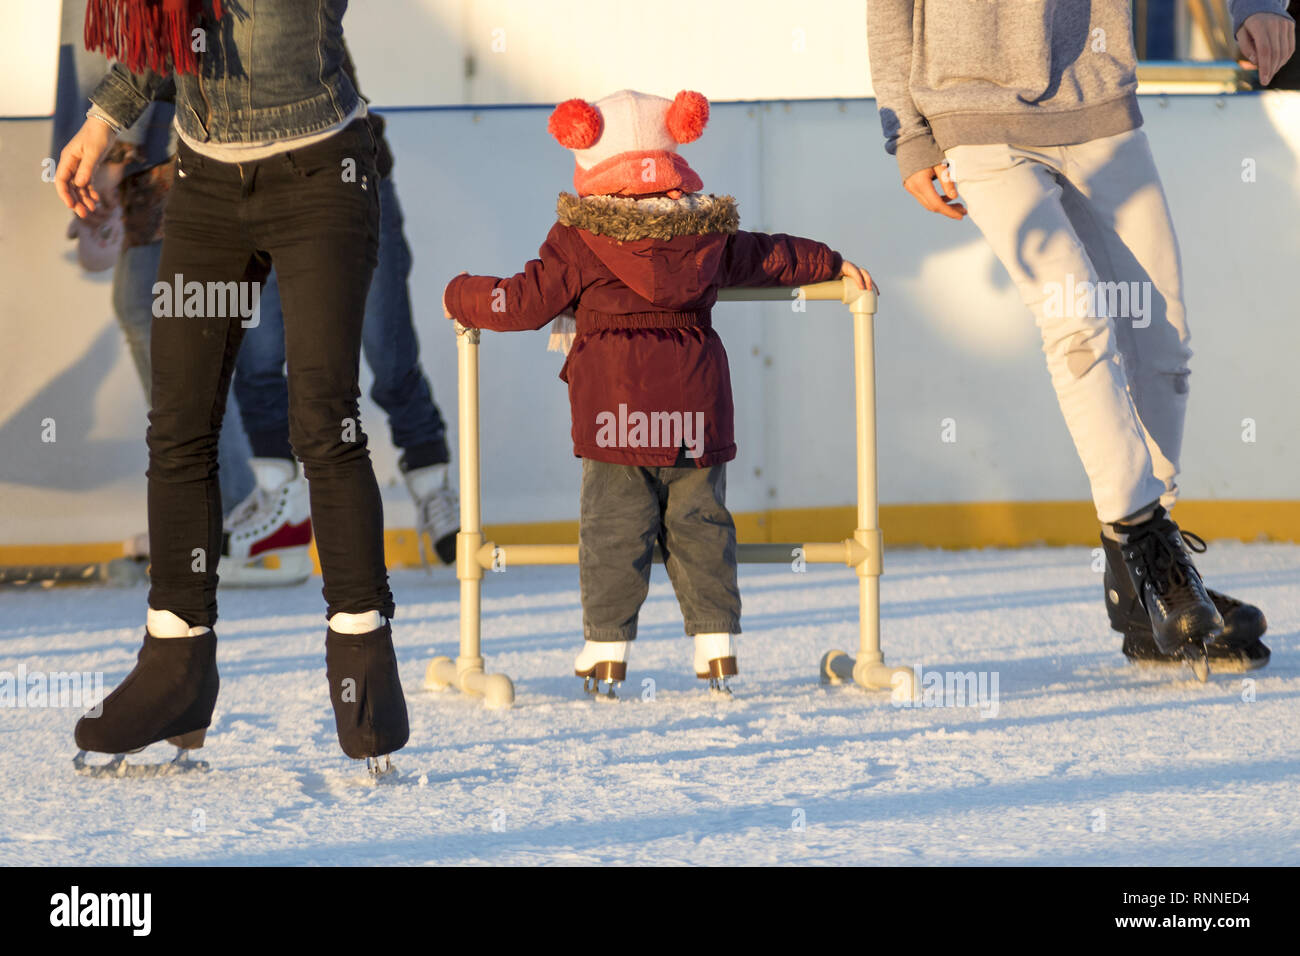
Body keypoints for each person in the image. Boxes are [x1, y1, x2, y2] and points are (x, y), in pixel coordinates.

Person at [866, 0, 1293, 676]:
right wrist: (910, 133)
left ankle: (1141, 589)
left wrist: (1254, 6)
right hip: (973, 111)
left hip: (1098, 95)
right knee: (1077, 318)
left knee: (1163, 337)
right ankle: (1153, 555)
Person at [55, 0, 408, 771]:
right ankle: (175, 668)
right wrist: (100, 122)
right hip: (206, 186)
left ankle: (364, 668)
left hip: (320, 172)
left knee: (324, 419)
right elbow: (167, 28)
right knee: (178, 427)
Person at [441, 89, 873, 696]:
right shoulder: (707, 233)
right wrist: (830, 262)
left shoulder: (579, 236)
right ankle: (716, 647)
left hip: (614, 416)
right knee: (701, 522)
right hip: (696, 408)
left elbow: (522, 302)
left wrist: (460, 294)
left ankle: (607, 650)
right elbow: (770, 255)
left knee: (615, 529)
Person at [228, 51, 458, 582]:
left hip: (352, 184)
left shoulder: (300, 19)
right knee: (258, 359)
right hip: (257, 190)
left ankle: (434, 495)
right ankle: (278, 509)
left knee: (389, 354)